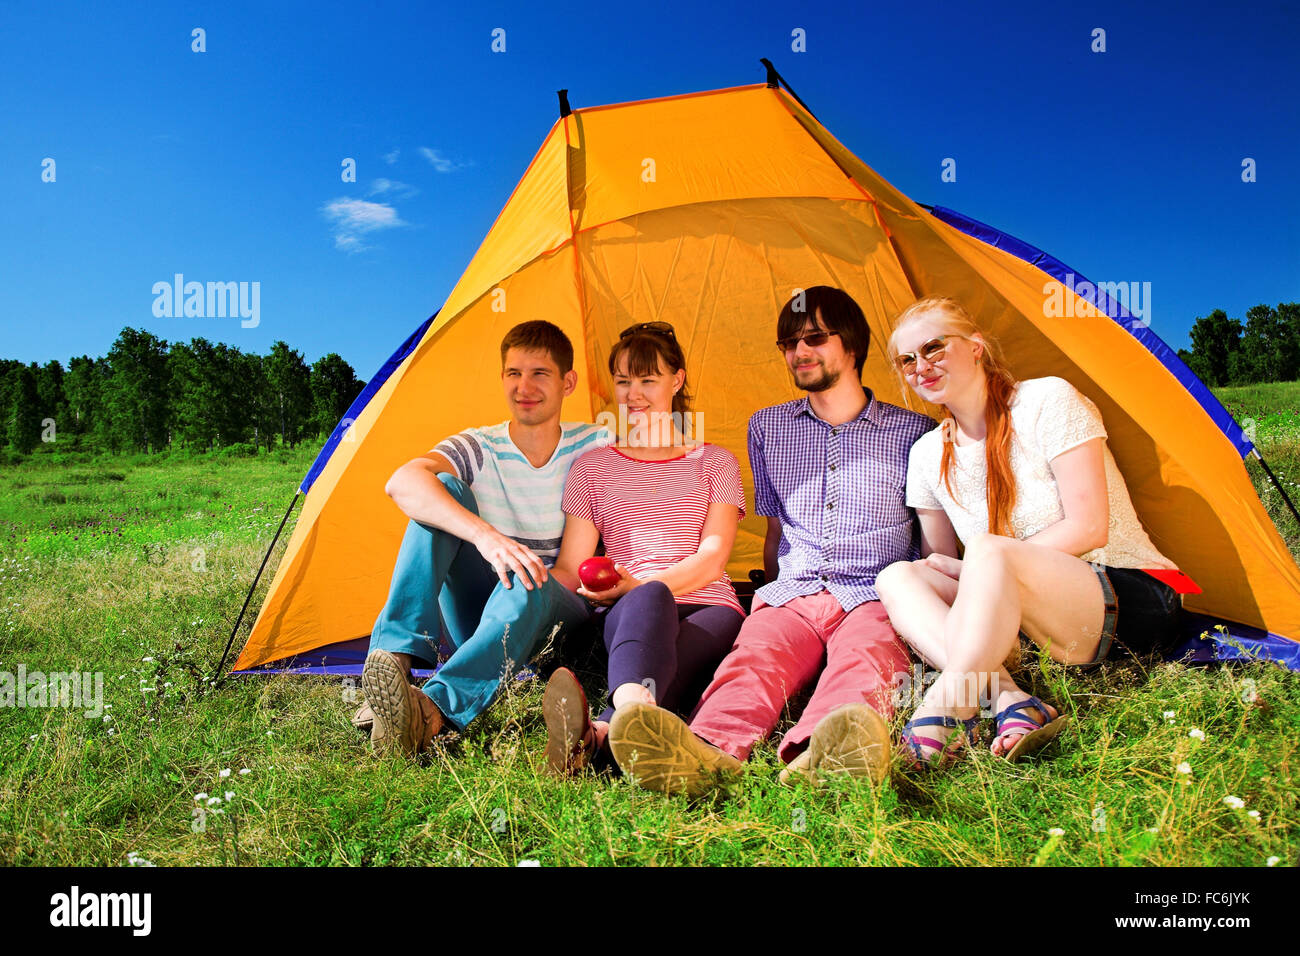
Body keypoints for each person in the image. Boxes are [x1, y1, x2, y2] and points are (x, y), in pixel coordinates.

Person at [605, 287, 935, 796]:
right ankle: (706, 756)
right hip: (793, 592)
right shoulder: (768, 427)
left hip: (876, 593)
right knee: (753, 659)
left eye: (815, 338)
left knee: (867, 658)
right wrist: (769, 594)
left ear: (853, 345)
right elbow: (776, 527)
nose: (799, 352)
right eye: (788, 343)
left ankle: (822, 757)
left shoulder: (916, 433)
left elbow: (929, 537)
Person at [875, 295, 1186, 768]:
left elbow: (1088, 526)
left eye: (934, 347)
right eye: (907, 360)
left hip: (1127, 595)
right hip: (1028, 623)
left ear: (976, 346)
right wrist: (975, 570)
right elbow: (937, 563)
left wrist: (981, 564)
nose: (921, 366)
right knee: (899, 577)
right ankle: (1010, 700)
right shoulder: (925, 454)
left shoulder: (1048, 400)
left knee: (987, 552)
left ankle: (945, 706)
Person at [358, 320, 610, 756]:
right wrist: (486, 537)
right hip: (486, 613)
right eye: (513, 373)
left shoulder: (597, 443)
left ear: (568, 382)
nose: (523, 387)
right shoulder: (480, 445)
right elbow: (401, 482)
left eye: (539, 374)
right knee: (441, 491)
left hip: (559, 618)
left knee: (530, 578)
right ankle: (394, 665)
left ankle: (432, 711)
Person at [540, 321, 747, 776]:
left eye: (648, 380)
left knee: (657, 630)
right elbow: (574, 565)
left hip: (709, 606)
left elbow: (713, 560)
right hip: (627, 608)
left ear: (677, 380)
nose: (633, 394)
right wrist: (530, 594)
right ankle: (632, 717)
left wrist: (642, 583)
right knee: (648, 599)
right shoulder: (590, 467)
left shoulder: (716, 462)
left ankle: (600, 736)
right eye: (623, 380)